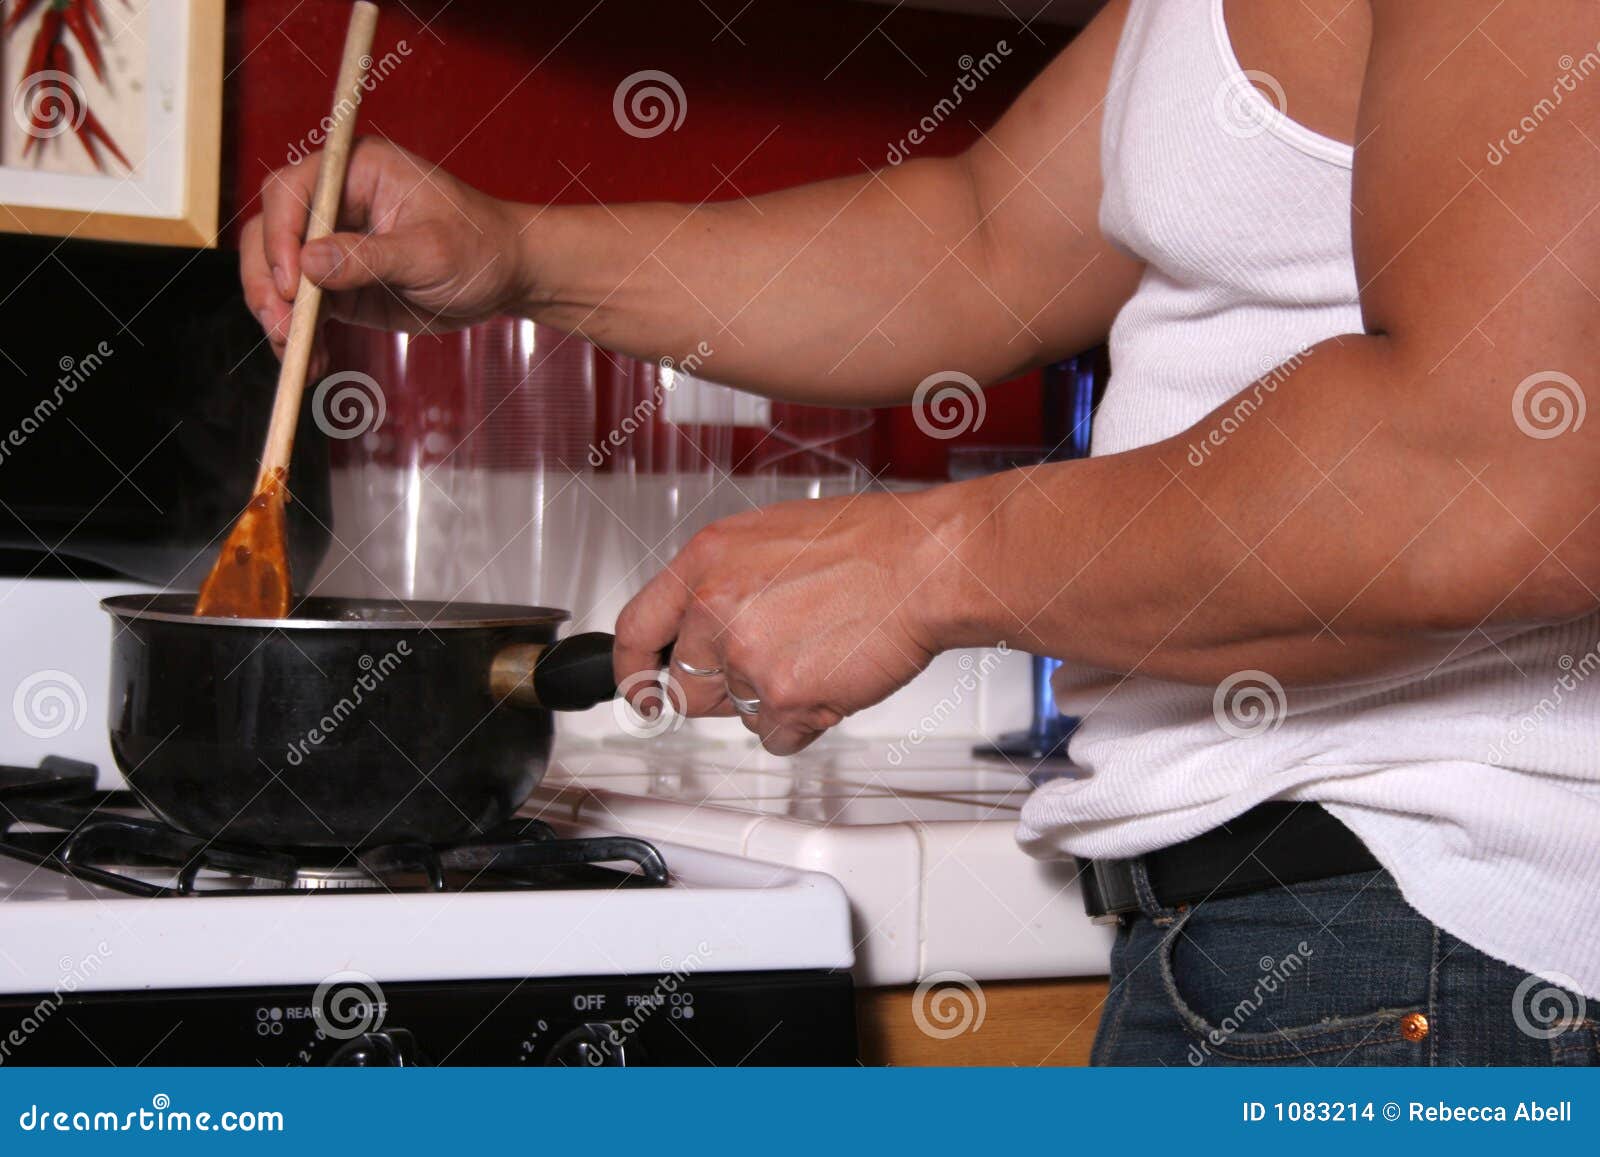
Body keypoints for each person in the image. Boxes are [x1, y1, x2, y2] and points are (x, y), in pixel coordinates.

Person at [243, 0, 1600, 1065]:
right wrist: (519, 257)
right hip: (1286, 932)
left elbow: (1500, 462)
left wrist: (929, 563)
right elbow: (991, 234)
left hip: (1434, 943)